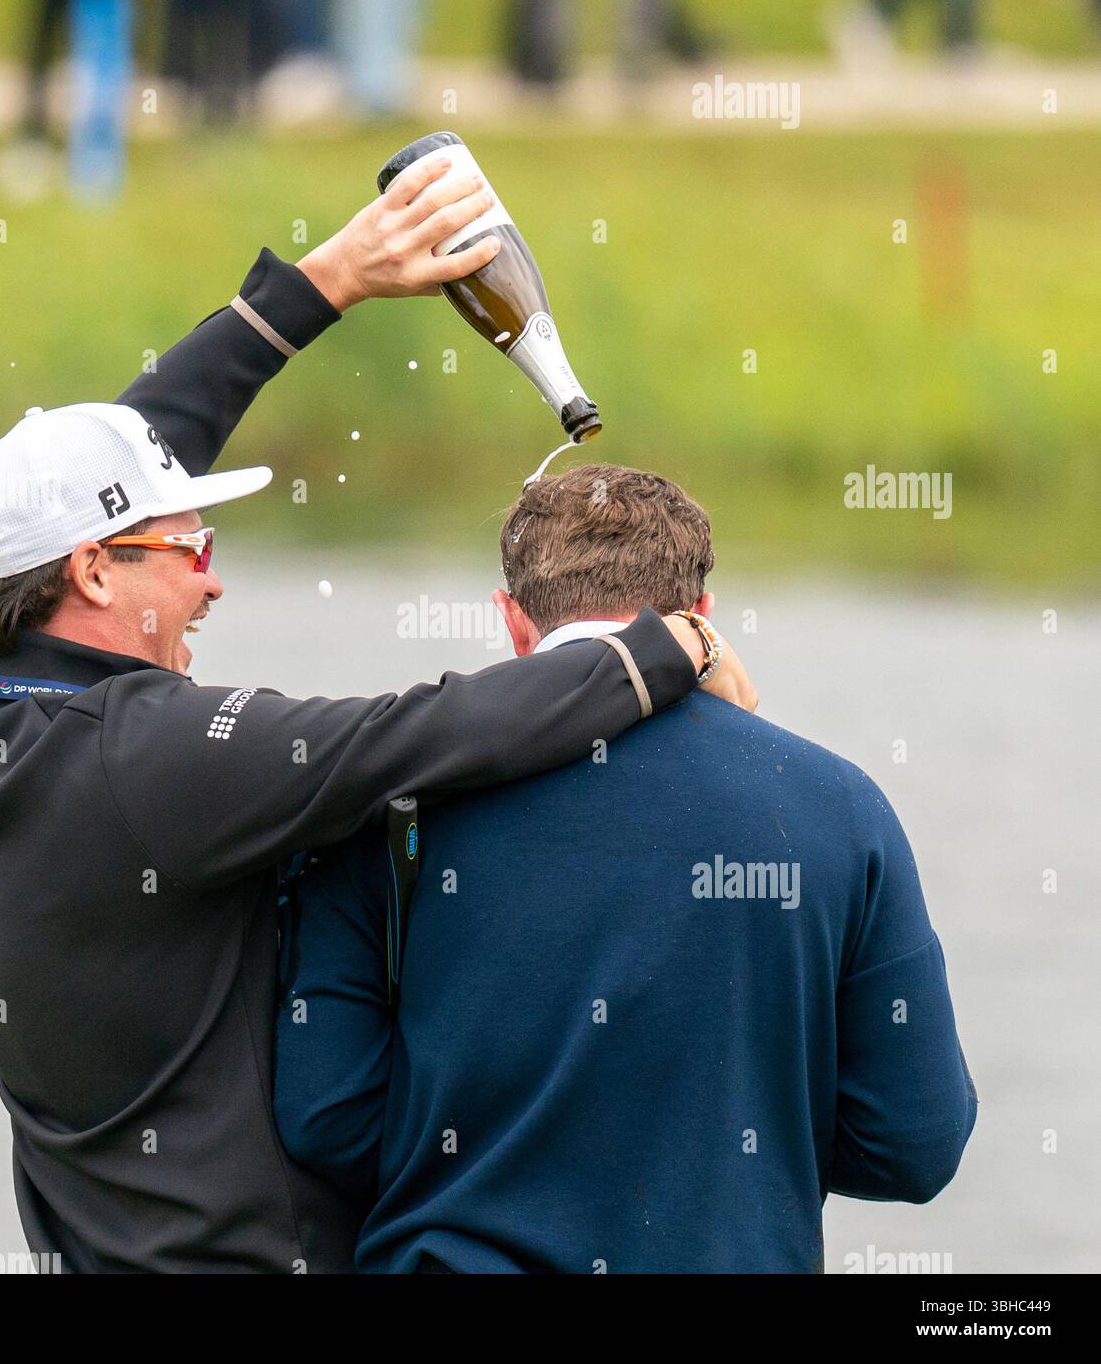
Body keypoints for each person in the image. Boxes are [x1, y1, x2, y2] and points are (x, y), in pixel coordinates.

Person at [0, 157, 756, 1274]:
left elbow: (113, 461)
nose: (212, 581)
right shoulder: (147, 761)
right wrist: (672, 647)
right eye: (192, 549)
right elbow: (426, 734)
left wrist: (333, 276)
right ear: (94, 575)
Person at [274, 463, 977, 1274]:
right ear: (702, 616)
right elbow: (915, 1144)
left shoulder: (386, 803)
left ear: (512, 621)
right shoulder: (841, 807)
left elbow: (324, 1119)